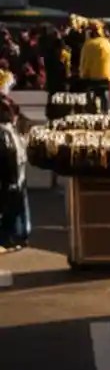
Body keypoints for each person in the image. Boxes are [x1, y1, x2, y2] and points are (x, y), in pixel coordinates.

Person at [0, 76, 30, 252]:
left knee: (11, 201)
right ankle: (20, 235)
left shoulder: (4, 134)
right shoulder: (12, 128)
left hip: (11, 168)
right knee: (18, 199)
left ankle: (10, 238)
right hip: (16, 164)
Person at [79, 22, 110, 113]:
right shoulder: (107, 43)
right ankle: (107, 110)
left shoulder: (89, 44)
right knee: (104, 92)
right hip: (107, 75)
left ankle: (93, 109)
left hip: (93, 75)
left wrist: (83, 74)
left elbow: (85, 61)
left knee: (92, 93)